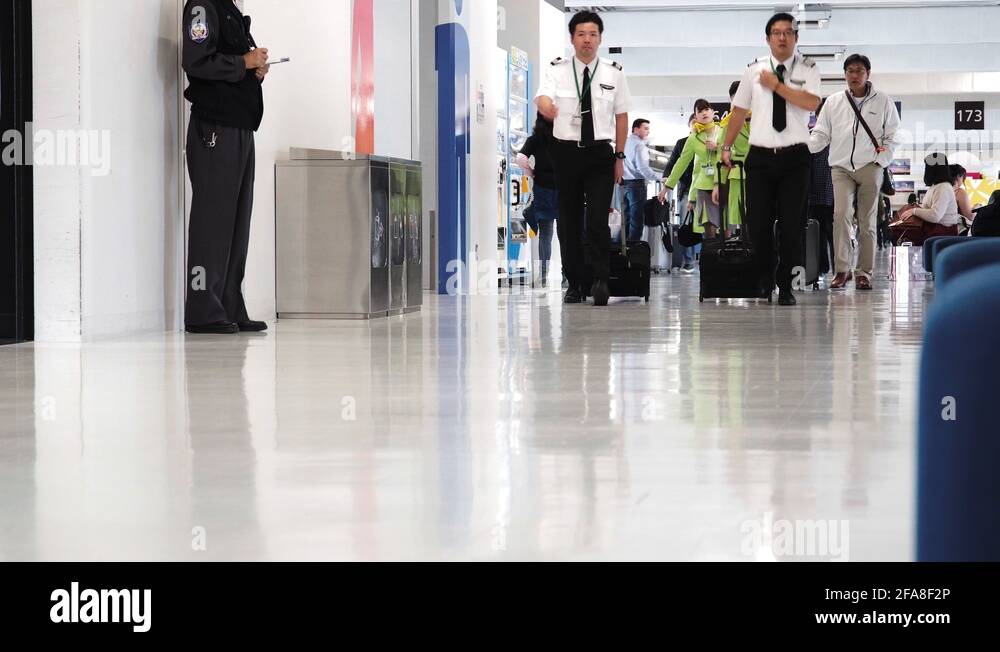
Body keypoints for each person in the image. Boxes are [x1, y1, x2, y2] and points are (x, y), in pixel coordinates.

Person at [721, 12, 822, 306]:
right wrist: (726, 147)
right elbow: (738, 111)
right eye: (776, 32)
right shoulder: (753, 71)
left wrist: (777, 86)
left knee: (792, 228)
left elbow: (811, 102)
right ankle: (765, 275)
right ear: (768, 39)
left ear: (796, 38)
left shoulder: (809, 68)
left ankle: (787, 284)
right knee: (758, 226)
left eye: (788, 32)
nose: (782, 37)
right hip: (760, 159)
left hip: (795, 158)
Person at [182, 0, 270, 334]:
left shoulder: (228, 8)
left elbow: (229, 65)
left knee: (236, 222)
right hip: (215, 128)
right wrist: (242, 62)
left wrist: (254, 71)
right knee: (212, 221)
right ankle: (204, 308)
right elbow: (195, 61)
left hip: (239, 126)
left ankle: (230, 305)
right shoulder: (203, 7)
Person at [536, 10, 632, 307]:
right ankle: (575, 282)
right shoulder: (557, 69)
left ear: (600, 38)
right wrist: (546, 107)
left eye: (592, 34)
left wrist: (619, 156)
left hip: (601, 154)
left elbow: (621, 116)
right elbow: (542, 97)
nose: (587, 40)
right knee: (568, 220)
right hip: (566, 153)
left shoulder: (614, 72)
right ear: (572, 39)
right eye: (581, 34)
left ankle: (601, 278)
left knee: (597, 220)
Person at [808, 53, 900, 292]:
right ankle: (842, 270)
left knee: (867, 220)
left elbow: (893, 136)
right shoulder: (834, 102)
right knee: (840, 216)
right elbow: (821, 133)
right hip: (840, 167)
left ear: (868, 74)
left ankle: (864, 273)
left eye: (859, 70)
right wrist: (804, 148)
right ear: (845, 75)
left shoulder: (883, 102)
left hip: (870, 166)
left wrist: (882, 159)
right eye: (850, 71)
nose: (854, 75)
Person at [663, 100, 722, 240]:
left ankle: (725, 259)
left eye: (706, 109)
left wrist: (717, 148)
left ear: (713, 112)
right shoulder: (693, 138)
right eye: (700, 111)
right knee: (709, 225)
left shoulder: (724, 130)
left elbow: (732, 151)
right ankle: (710, 258)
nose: (704, 113)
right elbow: (681, 162)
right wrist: (667, 187)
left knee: (726, 226)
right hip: (703, 185)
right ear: (696, 117)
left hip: (723, 181)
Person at [517, 114, 559, 288]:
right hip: (564, 187)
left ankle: (543, 275)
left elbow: (520, 159)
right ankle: (567, 276)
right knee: (566, 235)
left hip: (543, 188)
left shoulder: (534, 139)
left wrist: (531, 173)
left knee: (546, 235)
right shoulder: (562, 138)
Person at [713, 81, 752, 239]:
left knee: (763, 218)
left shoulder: (764, 119)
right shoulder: (727, 124)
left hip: (763, 174)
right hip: (738, 175)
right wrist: (717, 184)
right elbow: (721, 155)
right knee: (743, 221)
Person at [895, 153, 961, 245]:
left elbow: (935, 216)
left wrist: (914, 211)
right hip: (937, 233)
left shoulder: (943, 187)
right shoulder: (937, 186)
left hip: (941, 235)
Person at [659, 114, 697, 272]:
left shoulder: (712, 140)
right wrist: (666, 179)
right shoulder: (682, 143)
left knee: (706, 225)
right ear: (689, 125)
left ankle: (708, 257)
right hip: (686, 189)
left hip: (705, 188)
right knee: (686, 225)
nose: (696, 125)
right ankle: (688, 261)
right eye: (693, 122)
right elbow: (673, 161)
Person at [621, 119, 662, 242]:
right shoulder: (639, 145)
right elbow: (643, 168)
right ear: (635, 129)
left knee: (626, 219)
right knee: (637, 221)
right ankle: (634, 252)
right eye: (645, 128)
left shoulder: (624, 142)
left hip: (624, 184)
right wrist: (659, 178)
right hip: (637, 185)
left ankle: (623, 250)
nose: (648, 132)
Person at [808, 100, 835, 275]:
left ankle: (839, 271)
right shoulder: (809, 138)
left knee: (836, 236)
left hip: (836, 195)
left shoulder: (842, 138)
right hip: (814, 194)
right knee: (816, 235)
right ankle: (818, 269)